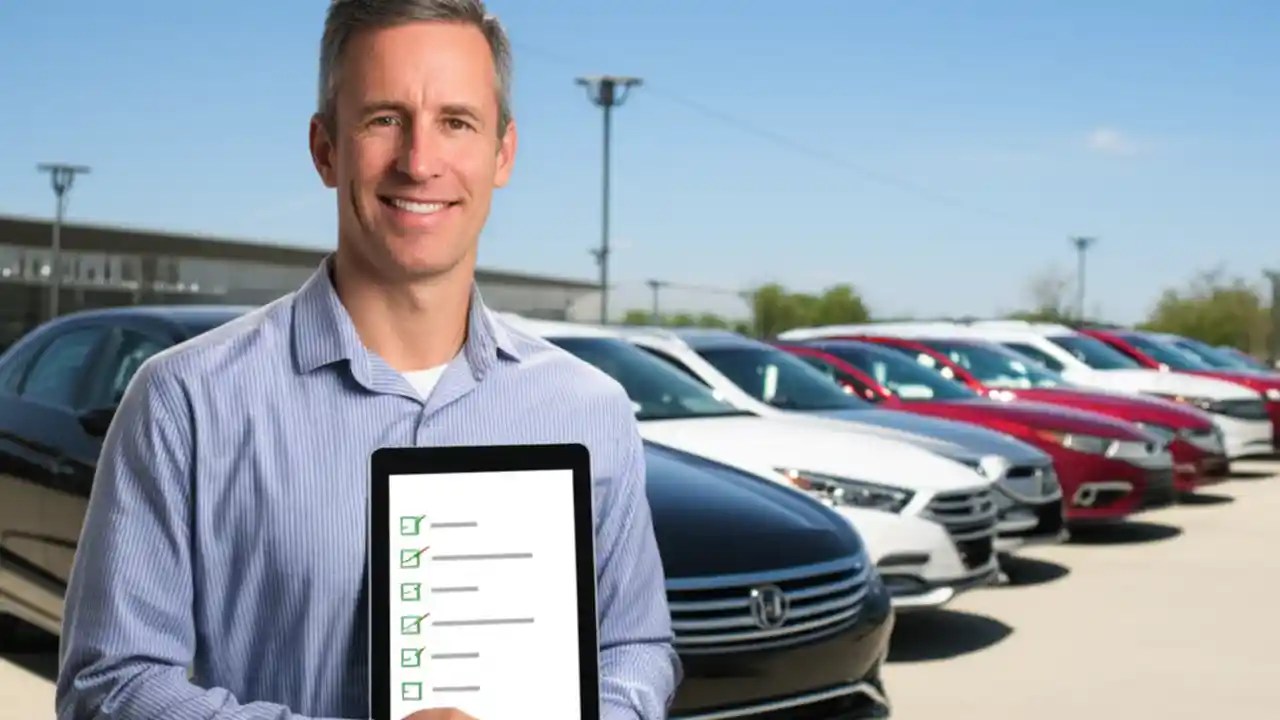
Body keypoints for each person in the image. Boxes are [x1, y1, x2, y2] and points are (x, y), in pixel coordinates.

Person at [54, 0, 681, 718]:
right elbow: (109, 687)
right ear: (325, 149)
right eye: (384, 119)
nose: (420, 162)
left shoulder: (590, 410)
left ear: (503, 152)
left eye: (456, 121)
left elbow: (636, 649)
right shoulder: (185, 401)